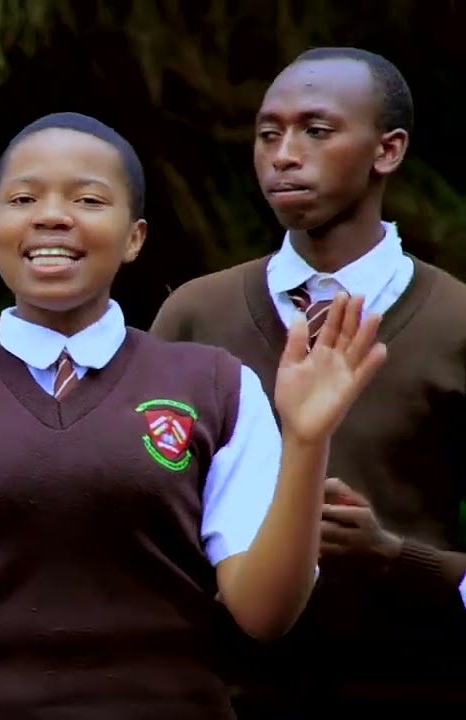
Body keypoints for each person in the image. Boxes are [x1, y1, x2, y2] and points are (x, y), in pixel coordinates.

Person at [0, 112, 387, 719]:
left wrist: (307, 442)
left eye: (87, 198)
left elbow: (265, 615)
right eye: (24, 198)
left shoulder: (216, 386)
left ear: (135, 237)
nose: (52, 215)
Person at [150, 47, 466, 718]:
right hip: (223, 699)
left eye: (315, 131)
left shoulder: (457, 324)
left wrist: (395, 556)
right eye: (268, 134)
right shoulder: (194, 316)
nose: (283, 155)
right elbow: (145, 518)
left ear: (388, 150)